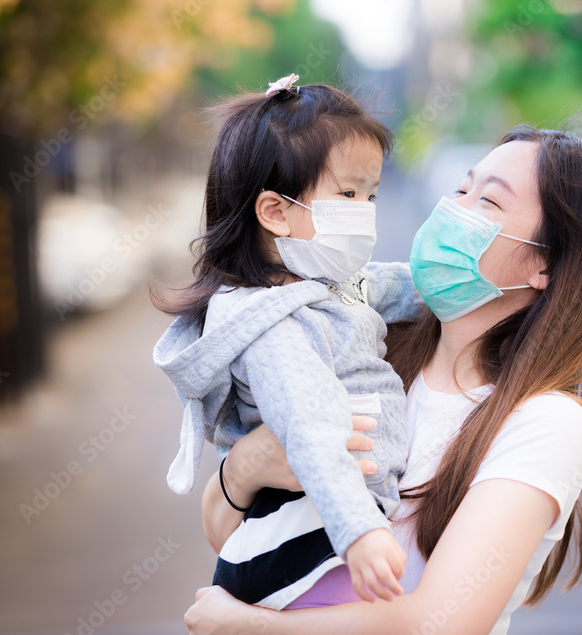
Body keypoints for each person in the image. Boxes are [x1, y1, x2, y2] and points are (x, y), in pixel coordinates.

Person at [186, 124, 582, 634]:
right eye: (461, 188)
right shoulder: (366, 342)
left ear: (547, 264)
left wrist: (247, 627)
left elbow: (440, 622)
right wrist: (247, 466)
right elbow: (227, 533)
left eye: (489, 203)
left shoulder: (545, 421)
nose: (452, 210)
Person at [152, 75, 427, 611]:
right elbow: (310, 430)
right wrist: (359, 533)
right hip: (311, 543)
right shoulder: (274, 327)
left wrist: (472, 278)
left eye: (371, 194)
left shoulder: (325, 283)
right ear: (275, 212)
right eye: (348, 193)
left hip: (319, 531)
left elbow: (402, 287)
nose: (364, 209)